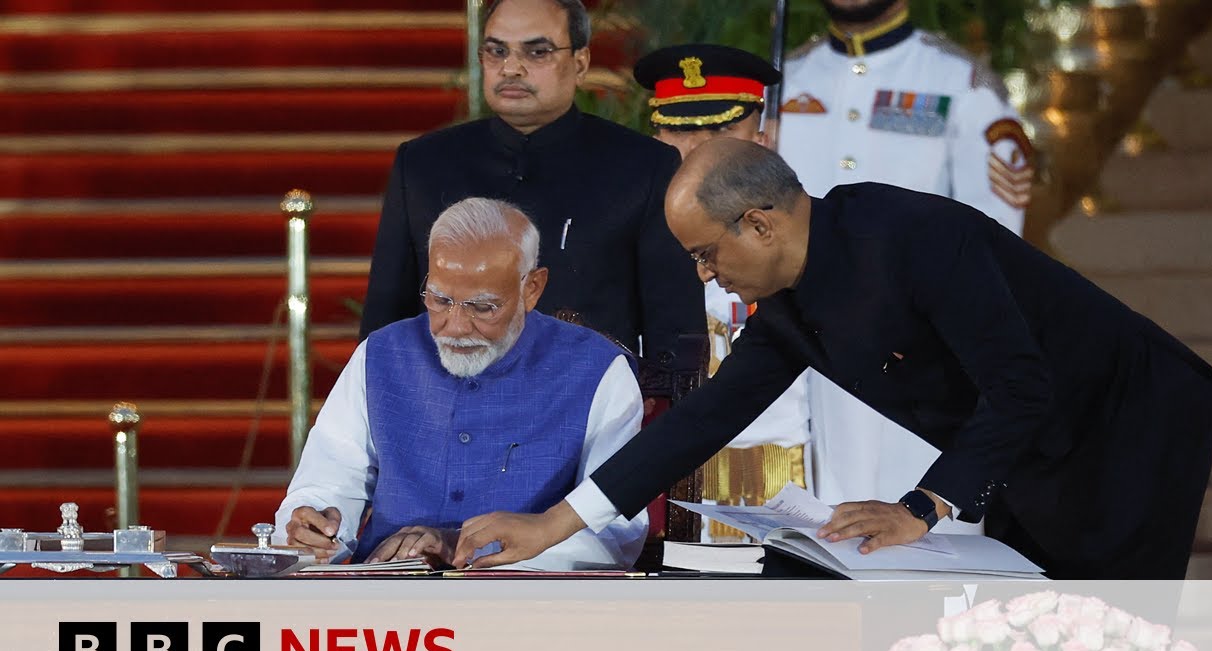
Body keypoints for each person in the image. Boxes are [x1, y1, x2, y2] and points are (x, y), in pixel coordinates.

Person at [452, 139, 1212, 580]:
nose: (703, 274)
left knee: (1111, 649)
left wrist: (922, 507)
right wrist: (554, 522)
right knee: (1029, 638)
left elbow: (1020, 387)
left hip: (1130, 424)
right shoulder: (789, 304)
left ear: (759, 225)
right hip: (1028, 449)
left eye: (704, 252)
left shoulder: (914, 239)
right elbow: (706, 418)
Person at [275, 197, 647, 569]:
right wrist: (318, 529)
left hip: (530, 609)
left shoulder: (598, 370)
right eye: (439, 299)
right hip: (386, 603)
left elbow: (614, 530)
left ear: (532, 288)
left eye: (482, 307)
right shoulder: (381, 354)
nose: (454, 326)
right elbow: (330, 479)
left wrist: (473, 553)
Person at [777, 0, 1037, 522]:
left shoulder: (960, 83)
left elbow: (994, 240)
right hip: (807, 361)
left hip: (924, 363)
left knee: (928, 555)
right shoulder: (785, 80)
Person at [359, 0, 703, 378]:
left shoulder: (644, 166)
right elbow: (385, 322)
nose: (511, 68)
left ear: (581, 63)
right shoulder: (425, 163)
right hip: (448, 409)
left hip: (593, 412)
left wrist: (662, 428)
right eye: (496, 51)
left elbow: (675, 331)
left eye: (537, 52)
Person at [634, 43, 813, 538]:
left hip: (774, 474)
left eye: (721, 128)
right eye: (681, 130)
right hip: (653, 473)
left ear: (763, 136)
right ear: (655, 135)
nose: (701, 148)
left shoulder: (795, 233)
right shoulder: (631, 232)